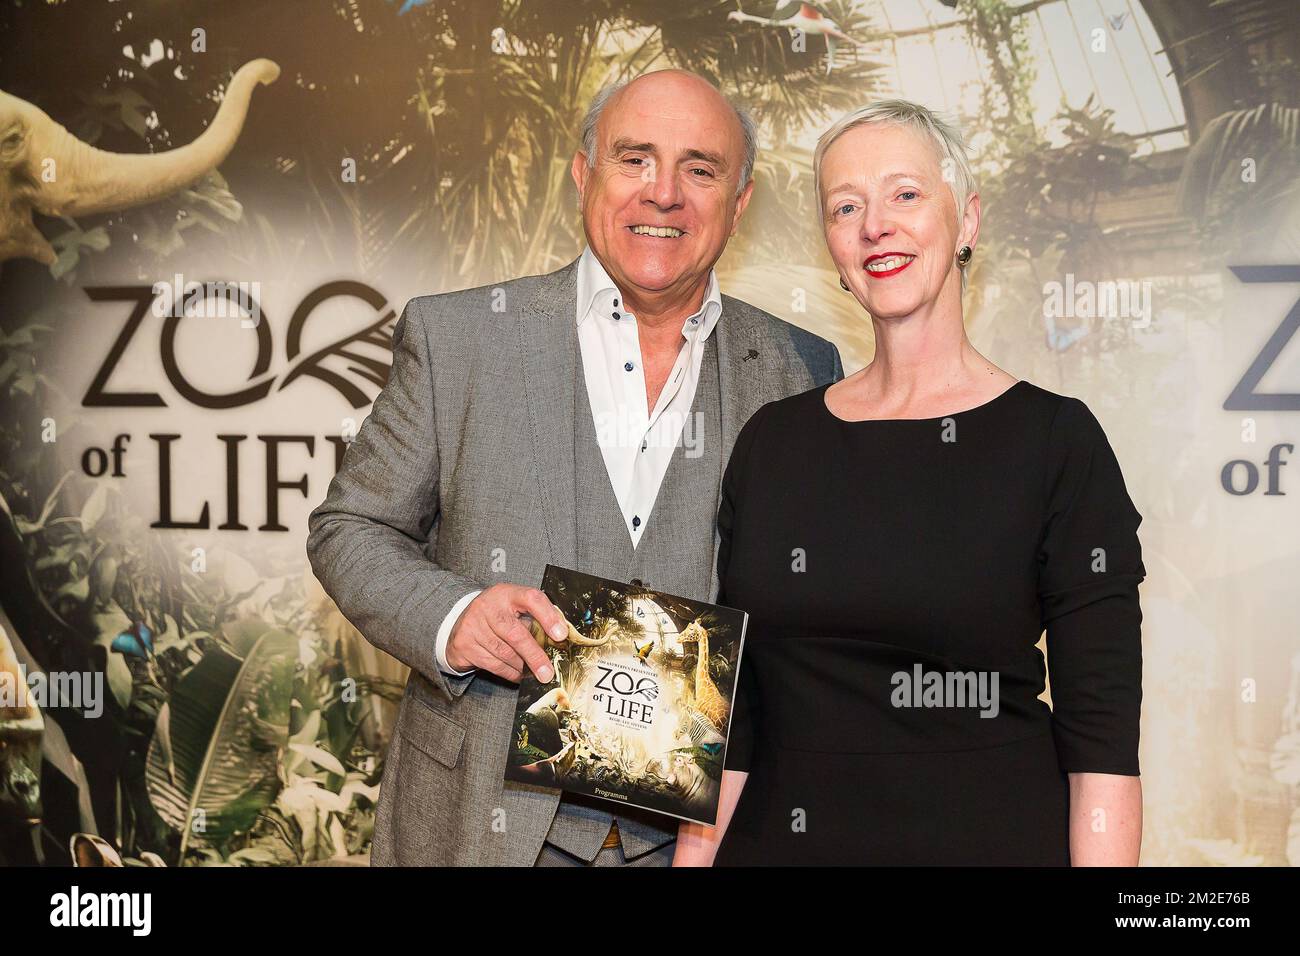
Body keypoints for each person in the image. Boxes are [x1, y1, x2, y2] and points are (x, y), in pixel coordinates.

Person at [305, 70, 843, 867]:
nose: (663, 194)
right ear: (583, 172)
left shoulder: (802, 370)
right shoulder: (460, 338)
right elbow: (350, 526)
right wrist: (456, 618)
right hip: (482, 825)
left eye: (700, 169)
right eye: (634, 159)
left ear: (740, 200)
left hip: (705, 845)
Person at [674, 100, 1145, 866]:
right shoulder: (772, 443)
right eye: (845, 206)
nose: (874, 225)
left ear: (967, 221)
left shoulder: (1057, 442)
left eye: (905, 194)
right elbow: (735, 721)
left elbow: (1103, 747)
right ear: (832, 245)